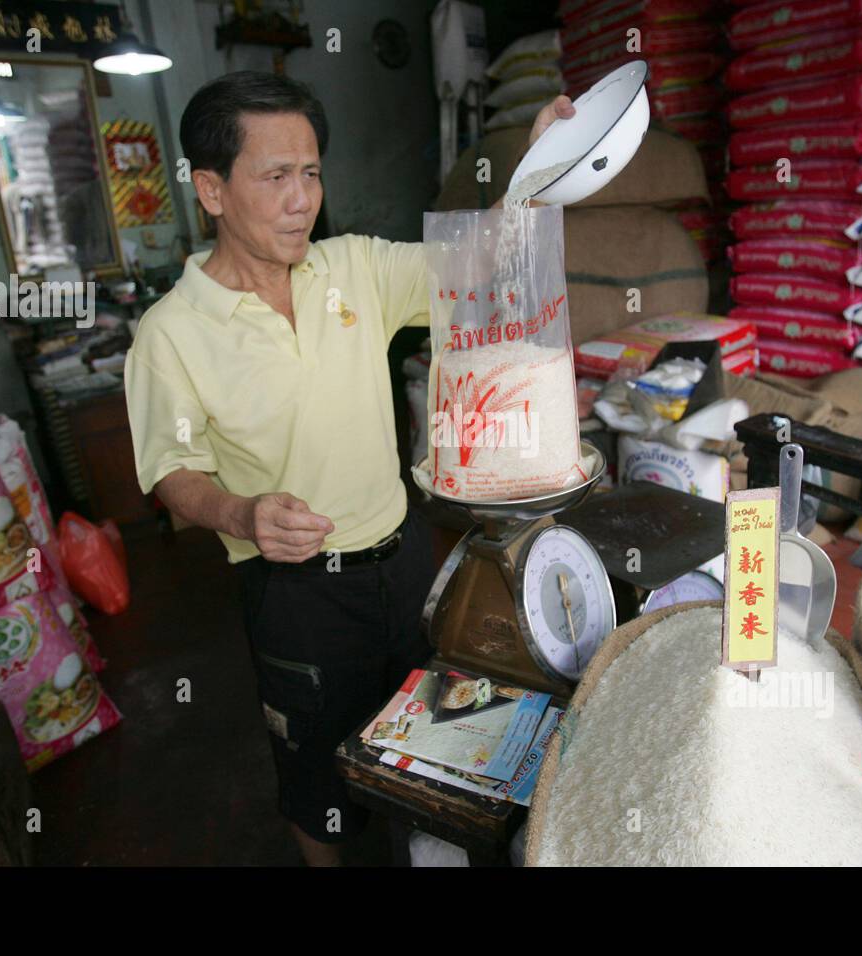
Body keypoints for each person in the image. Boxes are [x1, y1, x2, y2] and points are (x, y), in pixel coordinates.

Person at [124, 70, 574, 866]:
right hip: (296, 594)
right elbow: (172, 475)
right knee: (316, 775)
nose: (302, 199)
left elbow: (480, 263)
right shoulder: (171, 334)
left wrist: (534, 173)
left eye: (311, 173)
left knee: (427, 738)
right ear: (212, 190)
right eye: (274, 177)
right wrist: (240, 513)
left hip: (403, 566)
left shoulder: (353, 269)